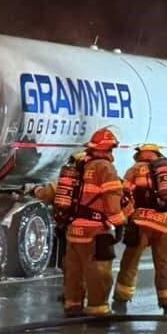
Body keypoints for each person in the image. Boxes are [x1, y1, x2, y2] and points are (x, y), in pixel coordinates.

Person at [36, 128, 126, 318]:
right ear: (108, 149)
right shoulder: (105, 168)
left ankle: (73, 306)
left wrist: (36, 191)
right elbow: (112, 198)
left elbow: (56, 191)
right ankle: (98, 309)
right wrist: (119, 224)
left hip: (73, 230)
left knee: (73, 271)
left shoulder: (77, 167)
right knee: (98, 272)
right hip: (95, 231)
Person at [114, 142, 167, 314]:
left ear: (140, 155)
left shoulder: (134, 170)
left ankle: (121, 300)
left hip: (142, 223)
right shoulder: (166, 172)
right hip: (165, 224)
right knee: (166, 264)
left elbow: (125, 196)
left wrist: (127, 218)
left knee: (130, 262)